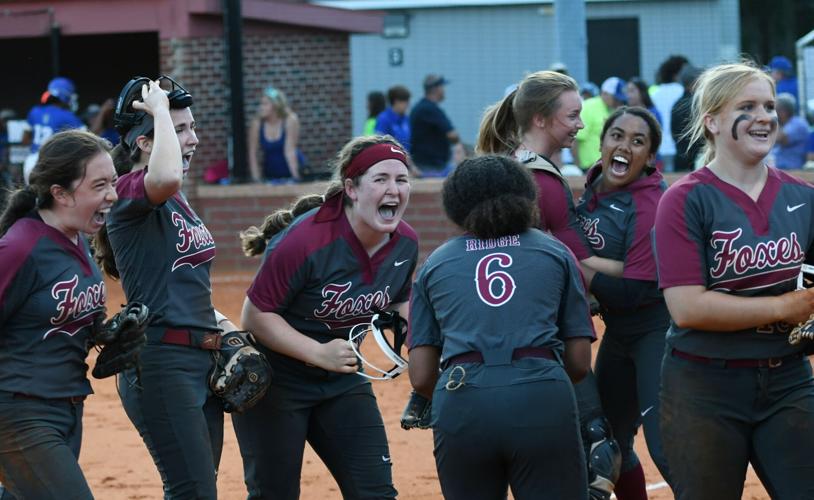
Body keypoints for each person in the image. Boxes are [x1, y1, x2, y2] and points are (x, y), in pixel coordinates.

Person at [477, 70, 648, 500]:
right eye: (572, 116)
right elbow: (578, 262)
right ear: (539, 118)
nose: (581, 125)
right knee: (600, 444)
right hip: (549, 334)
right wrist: (644, 272)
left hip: (506, 332)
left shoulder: (511, 167)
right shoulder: (544, 181)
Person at [654, 61, 814, 500]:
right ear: (712, 121)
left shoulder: (803, 198)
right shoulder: (685, 199)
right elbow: (687, 307)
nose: (765, 115)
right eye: (747, 106)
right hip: (704, 383)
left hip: (787, 377)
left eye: (768, 105)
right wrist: (785, 307)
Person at [234, 135, 418, 499]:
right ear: (351, 188)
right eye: (380, 179)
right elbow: (254, 316)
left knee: (376, 493)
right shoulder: (305, 240)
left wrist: (424, 348)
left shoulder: (405, 243)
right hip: (276, 383)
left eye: (402, 179)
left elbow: (399, 301)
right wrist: (317, 353)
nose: (394, 189)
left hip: (342, 380)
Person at [408, 155, 593, 499]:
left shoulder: (435, 264)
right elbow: (580, 362)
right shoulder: (556, 252)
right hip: (541, 396)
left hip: (463, 401)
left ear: (455, 205)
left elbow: (420, 377)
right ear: (526, 195)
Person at [93, 77, 238, 499]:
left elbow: (185, 286)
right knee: (193, 491)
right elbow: (168, 175)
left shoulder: (171, 198)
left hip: (199, 357)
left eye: (192, 127)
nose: (192, 138)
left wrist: (225, 327)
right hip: (160, 363)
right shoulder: (127, 192)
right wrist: (156, 110)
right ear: (143, 143)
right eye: (179, 130)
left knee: (198, 489)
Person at [0, 129, 117, 499]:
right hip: (20, 412)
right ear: (60, 193)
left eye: (112, 183)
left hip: (65, 406)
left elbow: (54, 317)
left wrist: (107, 334)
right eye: (99, 185)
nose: (112, 195)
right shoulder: (20, 246)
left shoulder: (78, 238)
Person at [575, 106, 673, 490]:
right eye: (617, 136)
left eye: (638, 141)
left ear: (650, 158)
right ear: (601, 143)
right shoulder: (595, 184)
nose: (624, 146)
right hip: (619, 333)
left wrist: (576, 264)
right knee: (610, 445)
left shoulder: (650, 202)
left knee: (666, 447)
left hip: (655, 329)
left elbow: (635, 290)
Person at [23, 77, 85, 184]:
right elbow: (88, 139)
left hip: (31, 162)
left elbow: (24, 140)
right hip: (52, 163)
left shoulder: (35, 111)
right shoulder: (68, 116)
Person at [248, 86, 305, 183]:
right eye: (261, 104)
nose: (261, 107)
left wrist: (296, 177)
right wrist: (256, 179)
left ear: (275, 105)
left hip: (290, 168)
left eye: (265, 104)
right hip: (270, 172)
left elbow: (289, 150)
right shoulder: (257, 123)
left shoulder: (290, 119)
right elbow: (253, 153)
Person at [410, 74, 460, 176]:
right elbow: (452, 134)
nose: (444, 90)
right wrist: (460, 146)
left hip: (425, 164)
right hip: (431, 167)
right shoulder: (430, 109)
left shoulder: (421, 107)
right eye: (442, 87)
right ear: (435, 89)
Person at [574, 76, 627, 170]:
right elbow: (576, 139)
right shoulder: (589, 107)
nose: (618, 102)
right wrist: (578, 167)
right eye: (615, 98)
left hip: (608, 167)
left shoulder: (613, 110)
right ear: (605, 93)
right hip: (588, 168)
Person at [651, 55, 689, 172]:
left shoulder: (653, 93)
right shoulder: (683, 92)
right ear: (677, 74)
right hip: (680, 149)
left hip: (658, 149)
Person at [671, 65, 703, 172]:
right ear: (695, 82)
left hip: (680, 160)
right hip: (697, 161)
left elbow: (674, 133)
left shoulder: (676, 105)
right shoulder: (699, 104)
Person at [772, 92, 808, 169]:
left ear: (783, 111)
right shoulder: (782, 124)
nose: (772, 113)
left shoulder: (798, 124)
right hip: (779, 168)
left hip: (794, 170)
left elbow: (779, 138)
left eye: (775, 110)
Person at [375, 85, 411, 150]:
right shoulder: (384, 119)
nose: (408, 105)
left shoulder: (406, 119)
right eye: (405, 102)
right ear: (396, 102)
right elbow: (380, 142)